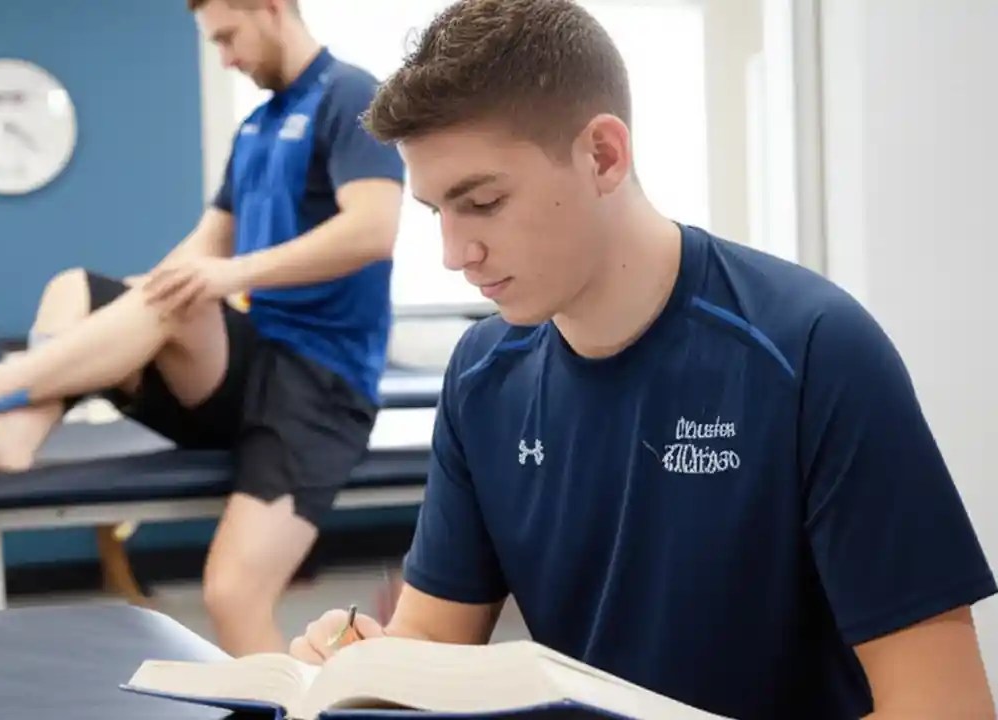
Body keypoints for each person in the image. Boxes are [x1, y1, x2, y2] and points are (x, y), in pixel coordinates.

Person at [286, 1, 997, 718]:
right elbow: (434, 639)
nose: (453, 254)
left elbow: (947, 706)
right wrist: (363, 662)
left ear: (603, 155)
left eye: (485, 202)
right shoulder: (482, 377)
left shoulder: (813, 350)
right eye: (438, 211)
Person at [0, 0, 405, 656]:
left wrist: (227, 278)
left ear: (267, 7)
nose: (226, 57)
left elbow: (373, 230)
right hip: (249, 369)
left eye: (228, 37)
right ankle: (9, 429)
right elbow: (201, 249)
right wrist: (123, 309)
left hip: (320, 386)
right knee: (81, 289)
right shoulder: (256, 129)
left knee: (232, 597)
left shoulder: (350, 95)